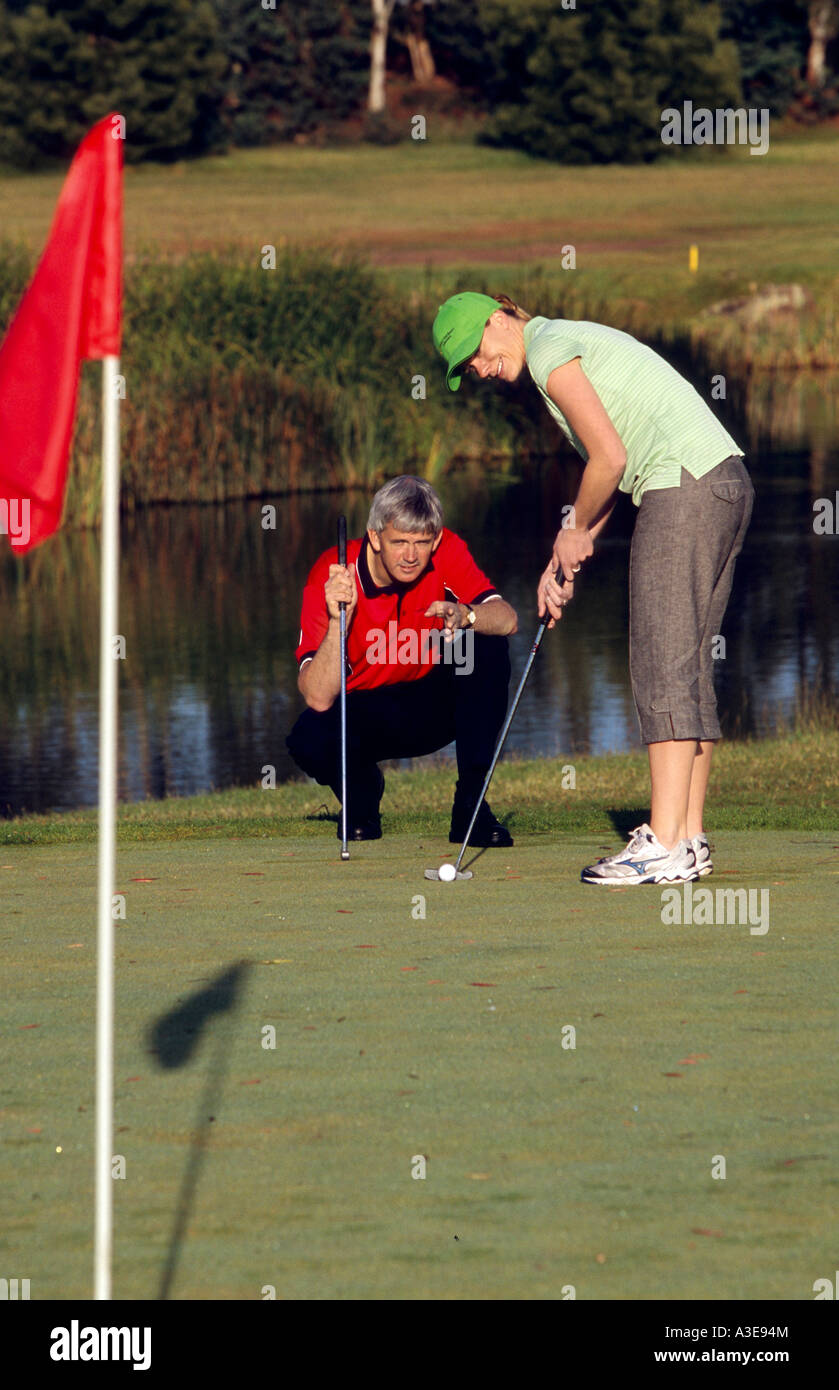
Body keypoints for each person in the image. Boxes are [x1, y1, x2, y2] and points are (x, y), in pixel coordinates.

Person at [433, 292, 754, 885]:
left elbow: (608, 458)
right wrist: (567, 560)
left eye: (471, 354)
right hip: (718, 481)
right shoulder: (560, 342)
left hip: (683, 487)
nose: (476, 371)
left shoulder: (549, 351)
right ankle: (686, 839)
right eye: (463, 370)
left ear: (496, 319)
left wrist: (571, 529)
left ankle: (660, 843)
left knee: (662, 663)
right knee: (686, 668)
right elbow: (615, 474)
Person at [286, 476, 518, 846]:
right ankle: (361, 796)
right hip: (361, 715)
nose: (411, 556)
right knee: (307, 738)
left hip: (428, 705)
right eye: (400, 542)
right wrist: (336, 623)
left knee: (487, 648)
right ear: (375, 537)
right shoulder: (332, 574)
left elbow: (507, 619)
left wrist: (466, 614)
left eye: (422, 543)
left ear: (436, 539)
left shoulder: (448, 551)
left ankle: (470, 809)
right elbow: (317, 696)